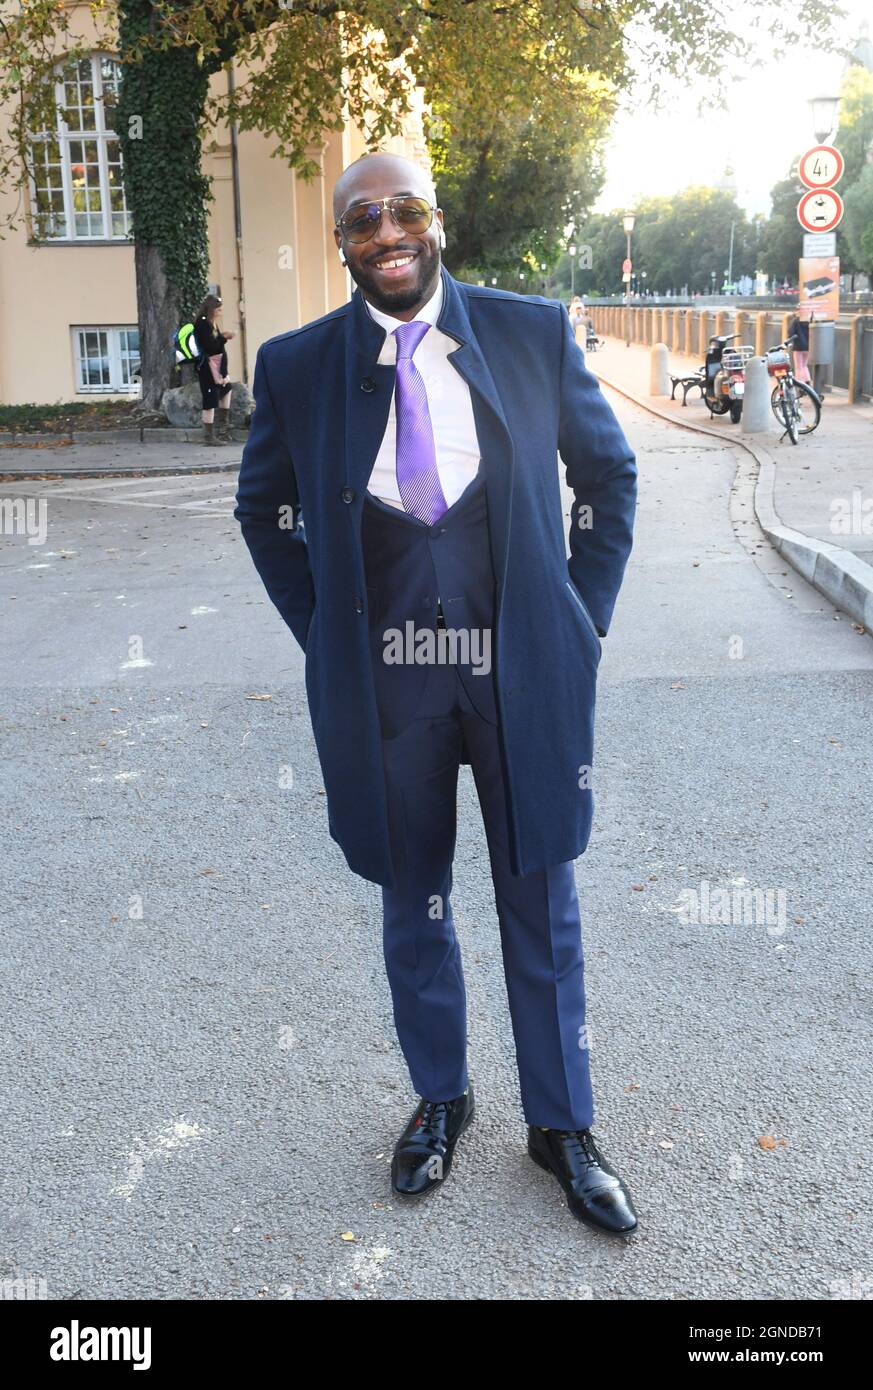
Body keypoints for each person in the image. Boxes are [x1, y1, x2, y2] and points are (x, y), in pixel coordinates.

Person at [234, 152, 639, 1236]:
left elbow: (610, 478)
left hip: (519, 677)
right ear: (341, 244)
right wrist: (323, 633)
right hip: (388, 690)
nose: (386, 232)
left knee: (538, 898)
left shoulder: (528, 331)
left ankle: (562, 1125)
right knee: (413, 902)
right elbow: (263, 509)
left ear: (437, 222)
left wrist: (578, 622)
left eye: (404, 210)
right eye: (361, 219)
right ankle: (441, 1098)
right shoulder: (300, 366)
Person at [192, 294, 235, 445]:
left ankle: (223, 428)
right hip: (207, 368)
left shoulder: (211, 323)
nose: (220, 312)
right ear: (210, 309)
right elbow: (210, 347)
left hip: (216, 367)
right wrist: (224, 338)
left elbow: (215, 345)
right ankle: (209, 437)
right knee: (210, 400)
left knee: (226, 388)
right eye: (218, 309)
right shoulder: (203, 323)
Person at [787, 311, 812, 384]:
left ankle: (800, 383)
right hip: (808, 346)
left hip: (798, 346)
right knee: (804, 365)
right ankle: (807, 380)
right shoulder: (809, 320)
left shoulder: (796, 320)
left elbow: (790, 332)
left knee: (798, 367)